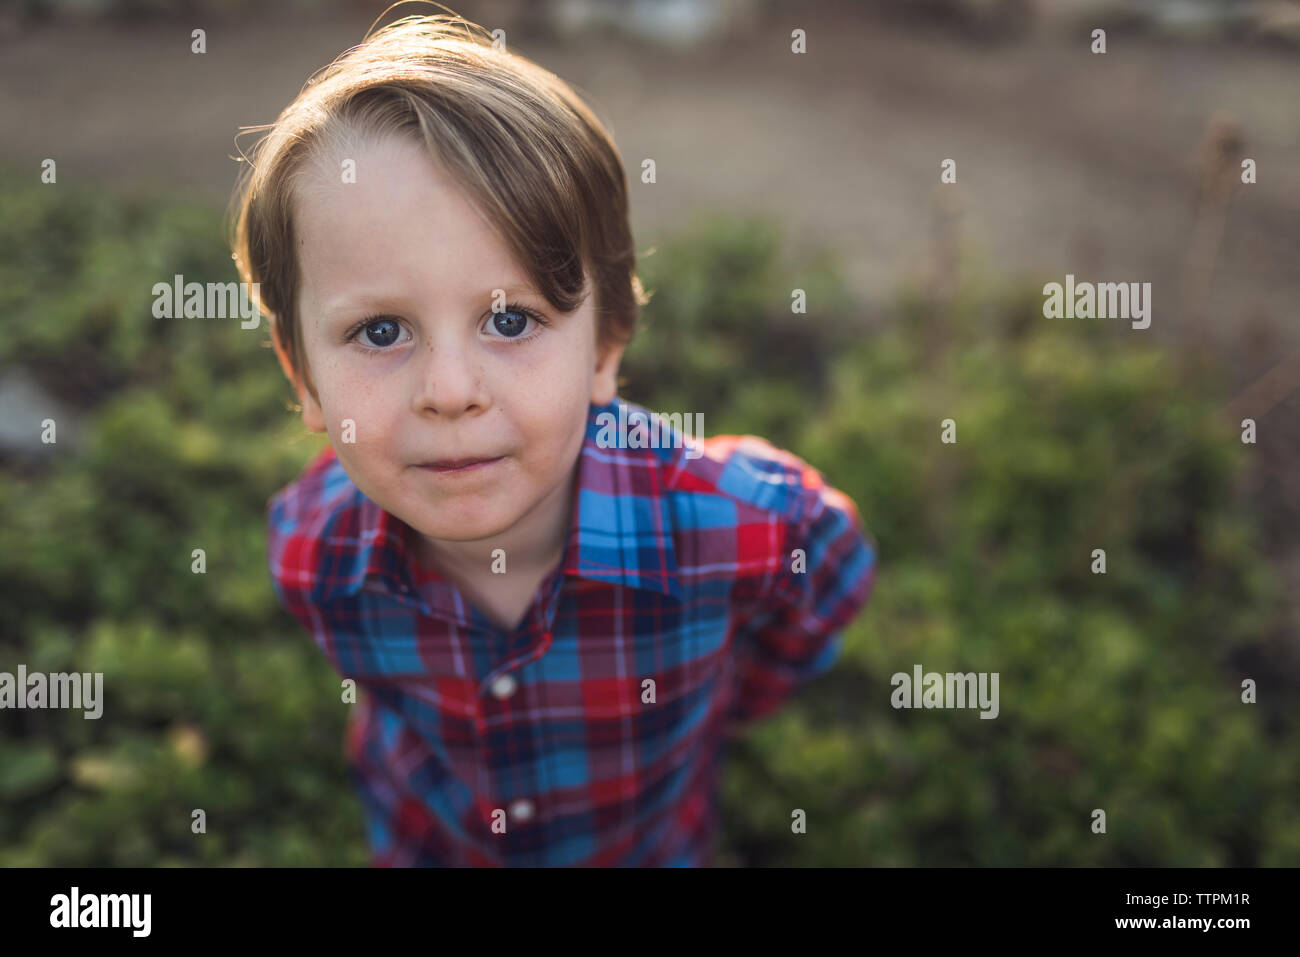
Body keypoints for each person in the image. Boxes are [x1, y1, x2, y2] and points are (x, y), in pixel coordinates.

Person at [233, 12, 876, 866]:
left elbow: (828, 580)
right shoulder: (313, 553)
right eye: (382, 332)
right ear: (302, 374)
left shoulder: (741, 524)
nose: (450, 392)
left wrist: (720, 704)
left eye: (510, 318)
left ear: (605, 342)